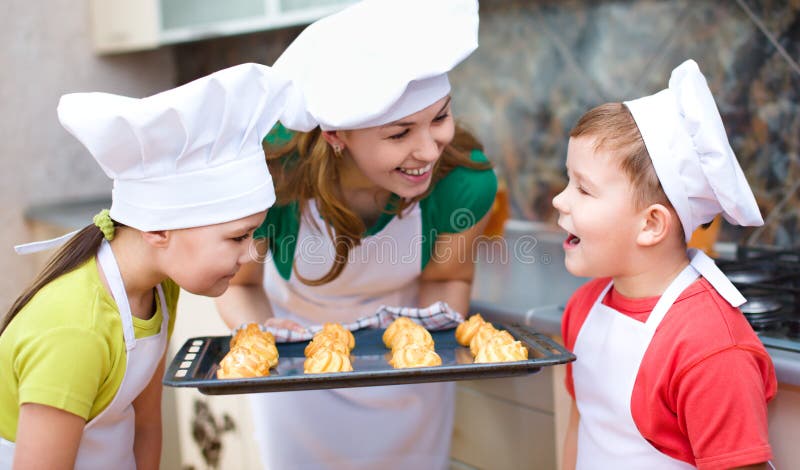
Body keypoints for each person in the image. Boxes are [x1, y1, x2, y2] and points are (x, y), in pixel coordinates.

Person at [214, 0, 496, 468]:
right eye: (399, 133)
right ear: (336, 136)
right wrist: (262, 333)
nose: (428, 149)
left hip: (408, 386)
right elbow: (240, 285)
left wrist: (416, 345)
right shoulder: (272, 178)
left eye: (440, 117)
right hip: (297, 377)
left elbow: (448, 280)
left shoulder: (464, 183)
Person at [0, 63, 290, 470]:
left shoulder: (159, 288)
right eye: (238, 237)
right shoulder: (75, 332)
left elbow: (145, 426)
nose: (251, 256)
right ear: (157, 230)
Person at [553, 59, 777, 470]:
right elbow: (580, 430)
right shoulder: (583, 309)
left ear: (652, 224)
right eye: (568, 180)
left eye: (583, 189)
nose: (559, 200)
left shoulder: (711, 348)